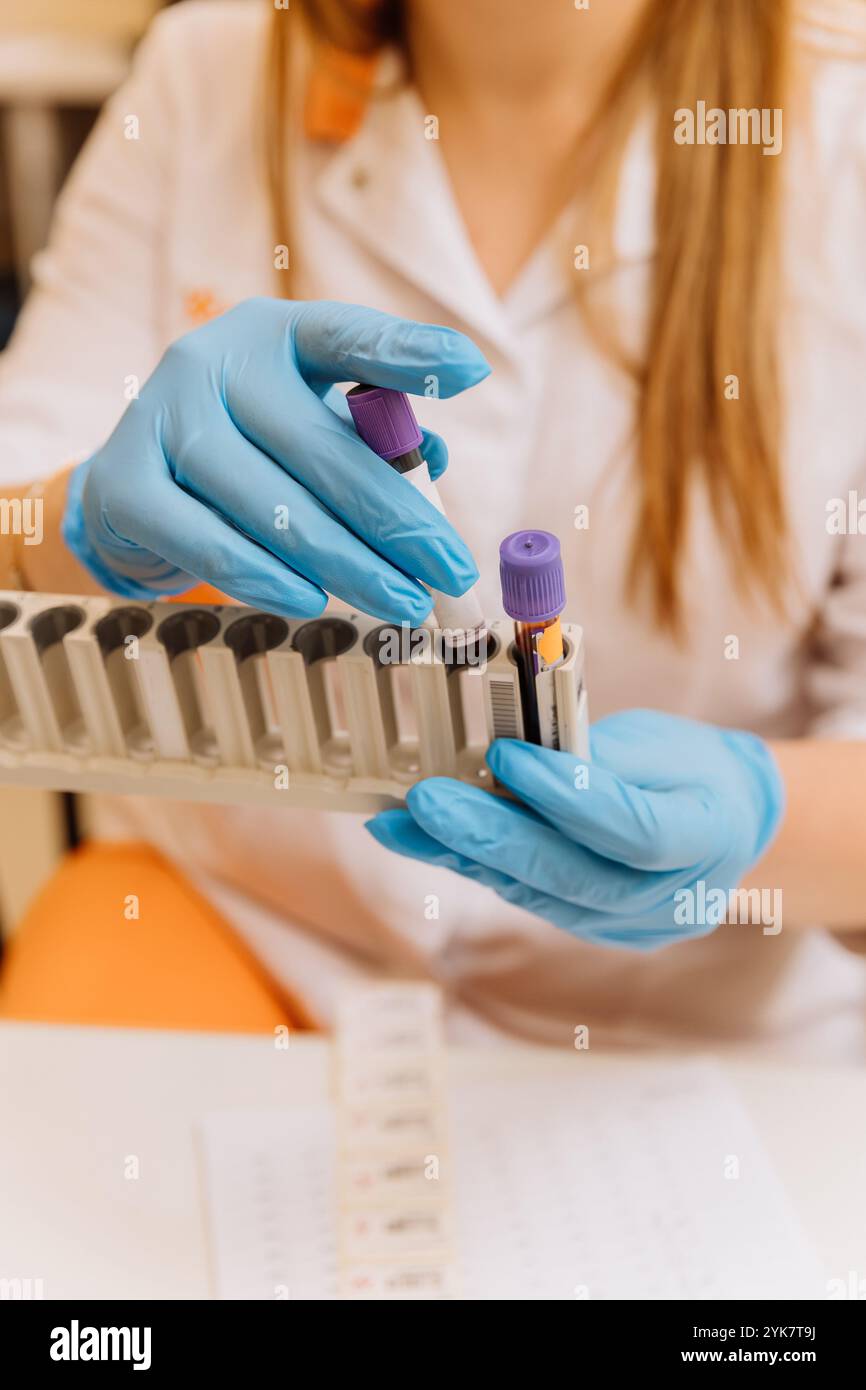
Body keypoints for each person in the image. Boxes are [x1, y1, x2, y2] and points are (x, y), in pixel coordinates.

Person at [1, 0, 865, 1053]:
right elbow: (12, 516)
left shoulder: (839, 131)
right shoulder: (211, 66)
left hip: (686, 1012)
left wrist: (755, 816)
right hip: (251, 929)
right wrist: (83, 518)